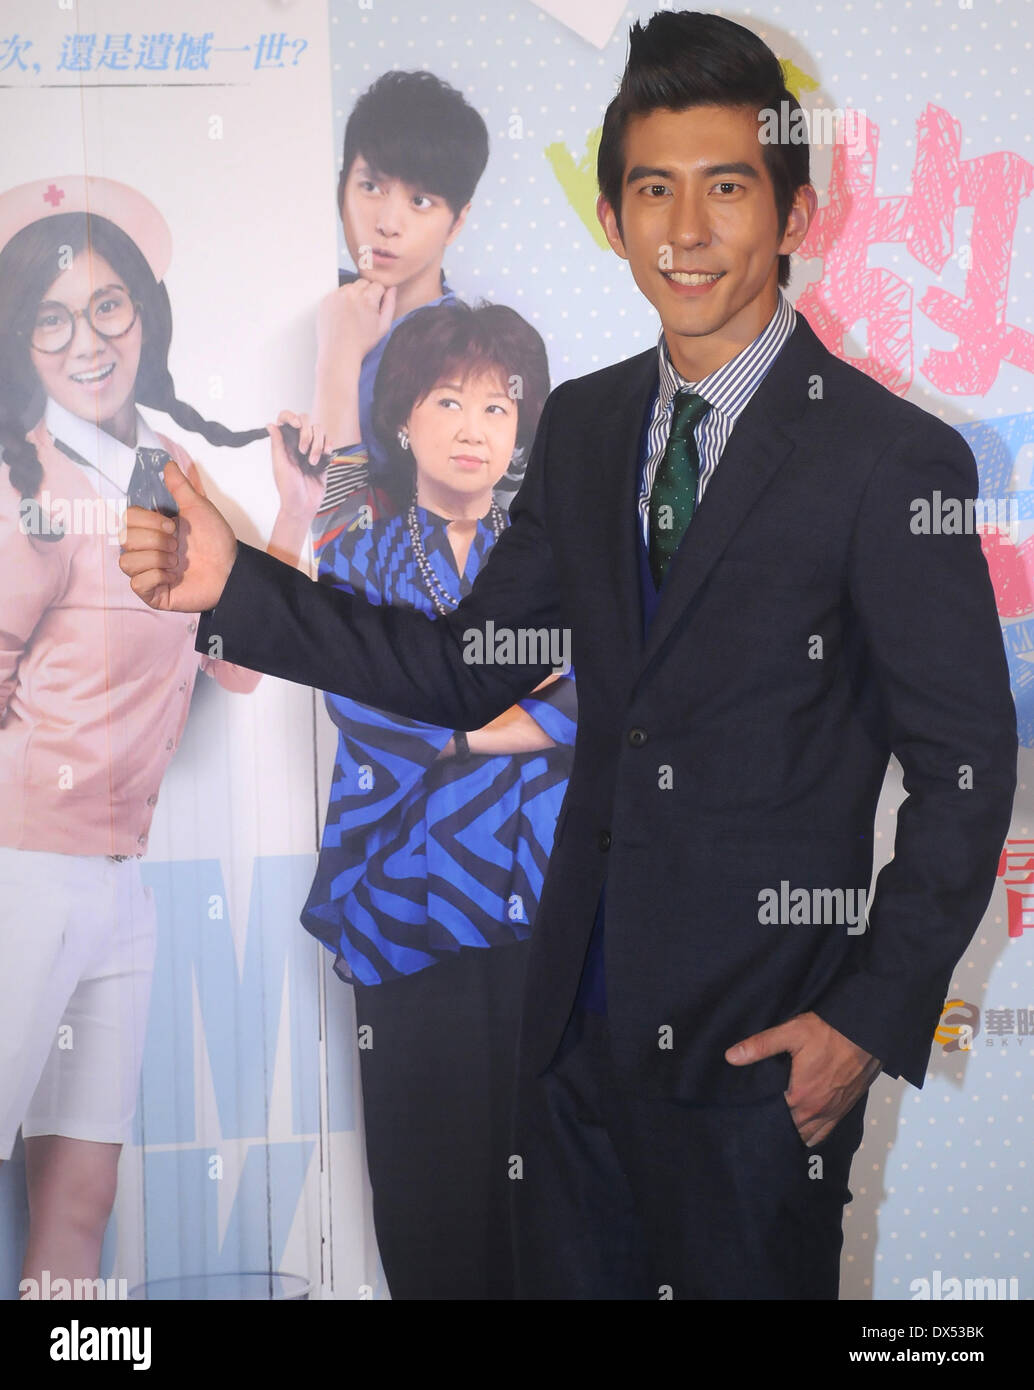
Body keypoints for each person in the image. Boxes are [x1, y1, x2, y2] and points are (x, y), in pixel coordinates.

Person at [119, 11, 1017, 1301]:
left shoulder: (885, 460)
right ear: (610, 219)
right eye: (653, 190)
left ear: (794, 213)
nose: (687, 228)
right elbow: (458, 669)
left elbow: (965, 770)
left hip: (758, 1068)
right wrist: (238, 587)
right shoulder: (588, 429)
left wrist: (865, 1023)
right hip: (568, 1060)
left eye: (725, 188)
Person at [0, 175, 323, 1292]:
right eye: (49, 316)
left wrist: (288, 513)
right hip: (23, 872)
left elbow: (238, 662)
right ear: (18, 338)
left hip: (116, 887)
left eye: (106, 308)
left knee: (80, 1204)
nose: (84, 340)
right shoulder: (27, 476)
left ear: (144, 314)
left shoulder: (165, 474)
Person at [303, 301, 572, 1299]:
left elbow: (593, 698)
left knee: (545, 1170)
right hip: (402, 902)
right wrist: (500, 701)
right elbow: (362, 700)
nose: (473, 425)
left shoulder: (554, 552)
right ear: (403, 420)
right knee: (424, 1183)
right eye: (448, 399)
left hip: (540, 900)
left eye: (498, 406)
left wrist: (453, 717)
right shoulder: (357, 553)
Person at [311, 70, 490, 550]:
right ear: (341, 186)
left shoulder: (467, 357)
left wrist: (339, 360)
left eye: (420, 200)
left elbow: (347, 543)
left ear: (458, 221)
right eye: (370, 187)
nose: (387, 224)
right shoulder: (297, 299)